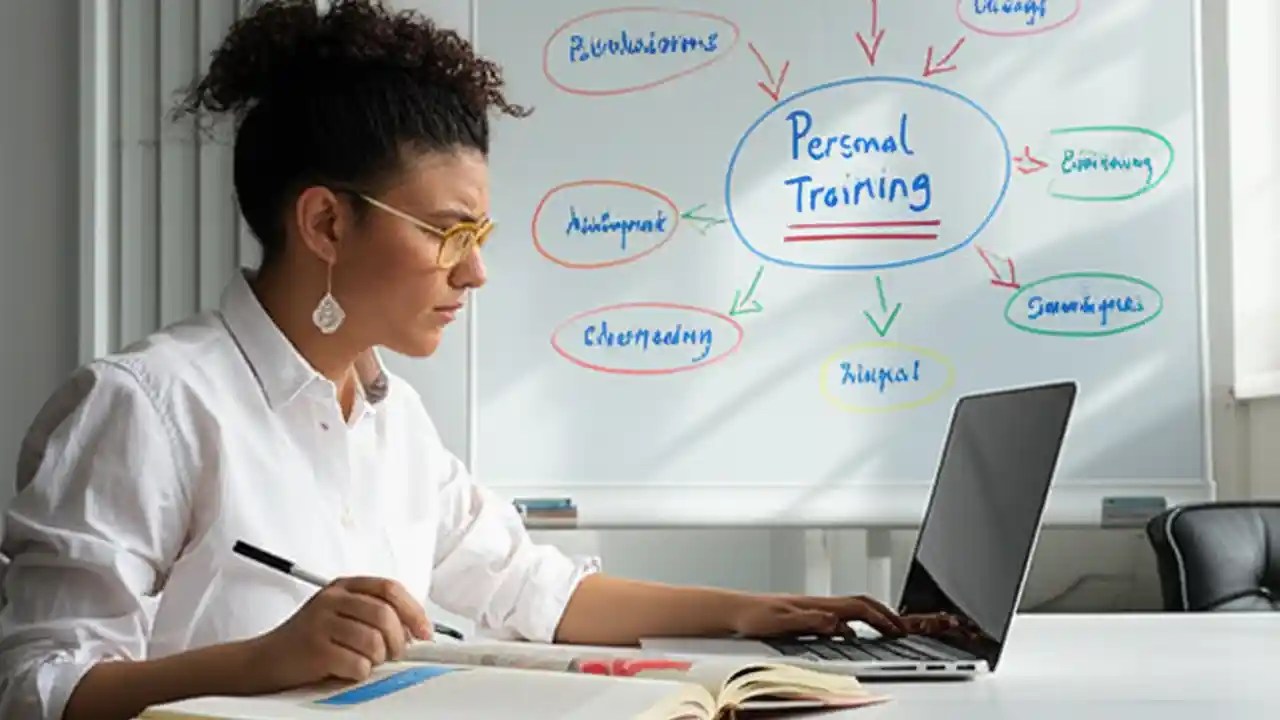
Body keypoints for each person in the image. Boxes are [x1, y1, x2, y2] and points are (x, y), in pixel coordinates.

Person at [0, 2, 951, 718]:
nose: (476, 271)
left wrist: (752, 615)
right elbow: (37, 688)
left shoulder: (392, 419)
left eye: (480, 235)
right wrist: (263, 661)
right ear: (325, 222)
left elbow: (535, 590)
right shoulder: (147, 407)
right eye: (447, 233)